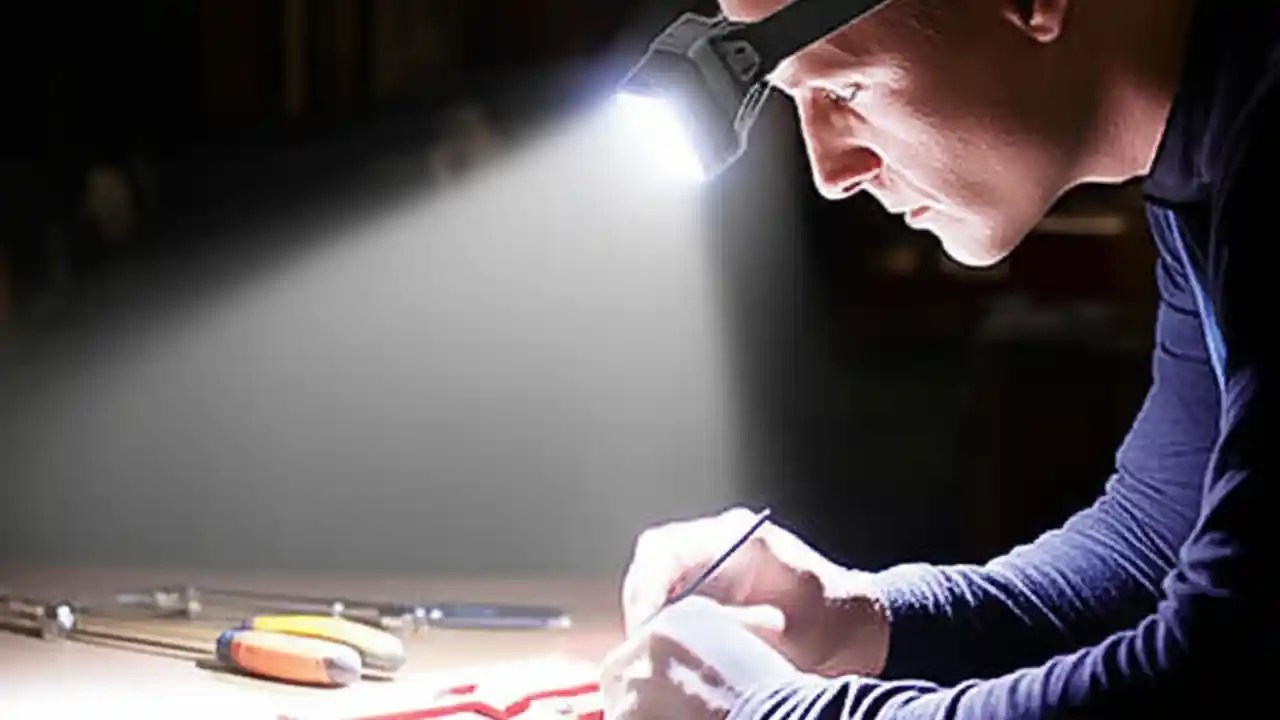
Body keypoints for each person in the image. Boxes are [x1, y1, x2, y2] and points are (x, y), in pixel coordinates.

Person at [600, 0, 1274, 717]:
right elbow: (1155, 545)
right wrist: (857, 620)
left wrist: (772, 710)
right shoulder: (1212, 144)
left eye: (845, 90)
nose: (833, 172)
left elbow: (1220, 669)